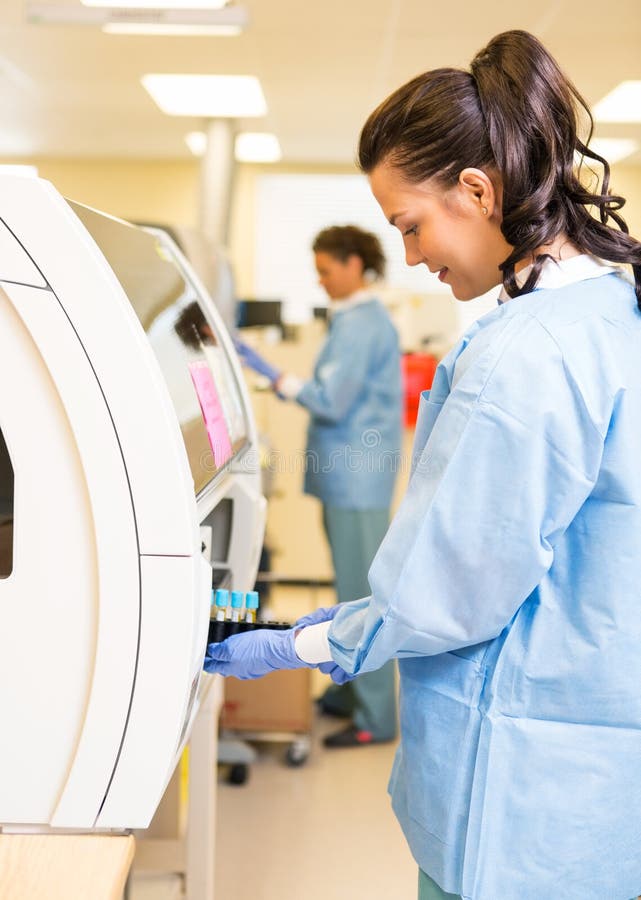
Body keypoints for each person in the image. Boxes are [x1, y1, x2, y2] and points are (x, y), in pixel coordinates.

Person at [205, 29, 641, 900]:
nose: (410, 255)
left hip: (516, 800)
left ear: (476, 191)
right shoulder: (610, 309)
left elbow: (449, 588)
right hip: (592, 796)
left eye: (411, 225)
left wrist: (301, 640)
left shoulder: (527, 353)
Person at [236, 225, 402, 748]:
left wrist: (275, 377)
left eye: (326, 271)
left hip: (358, 481)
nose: (322, 281)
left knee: (361, 598)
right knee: (347, 590)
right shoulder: (352, 320)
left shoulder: (365, 323)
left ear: (354, 265)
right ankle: (347, 693)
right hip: (347, 477)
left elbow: (331, 400)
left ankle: (376, 716)